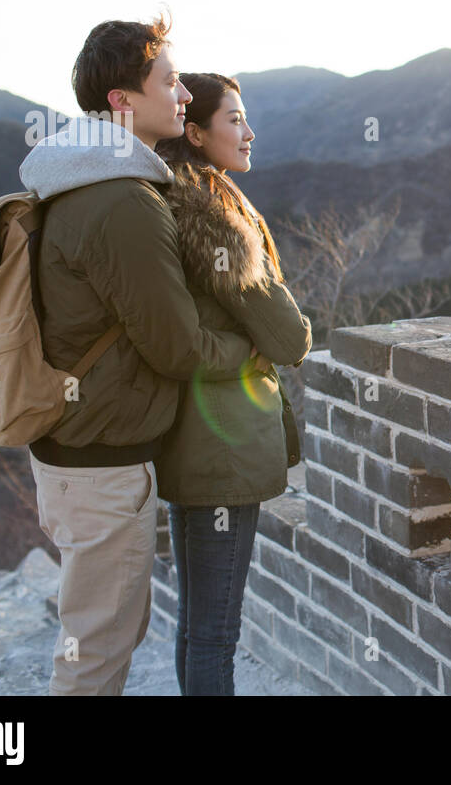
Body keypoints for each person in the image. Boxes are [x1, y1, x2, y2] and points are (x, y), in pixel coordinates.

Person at [18, 16, 265, 695]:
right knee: (97, 653)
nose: (184, 93)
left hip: (81, 452)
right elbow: (177, 345)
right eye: (169, 80)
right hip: (100, 463)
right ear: (124, 101)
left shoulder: (90, 180)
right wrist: (256, 350)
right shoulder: (124, 200)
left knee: (102, 638)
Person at [153, 72, 311, 695]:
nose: (249, 132)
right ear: (195, 132)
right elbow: (291, 340)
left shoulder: (170, 199)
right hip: (223, 451)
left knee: (195, 624)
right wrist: (257, 345)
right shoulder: (217, 219)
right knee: (216, 632)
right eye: (234, 120)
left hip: (185, 443)